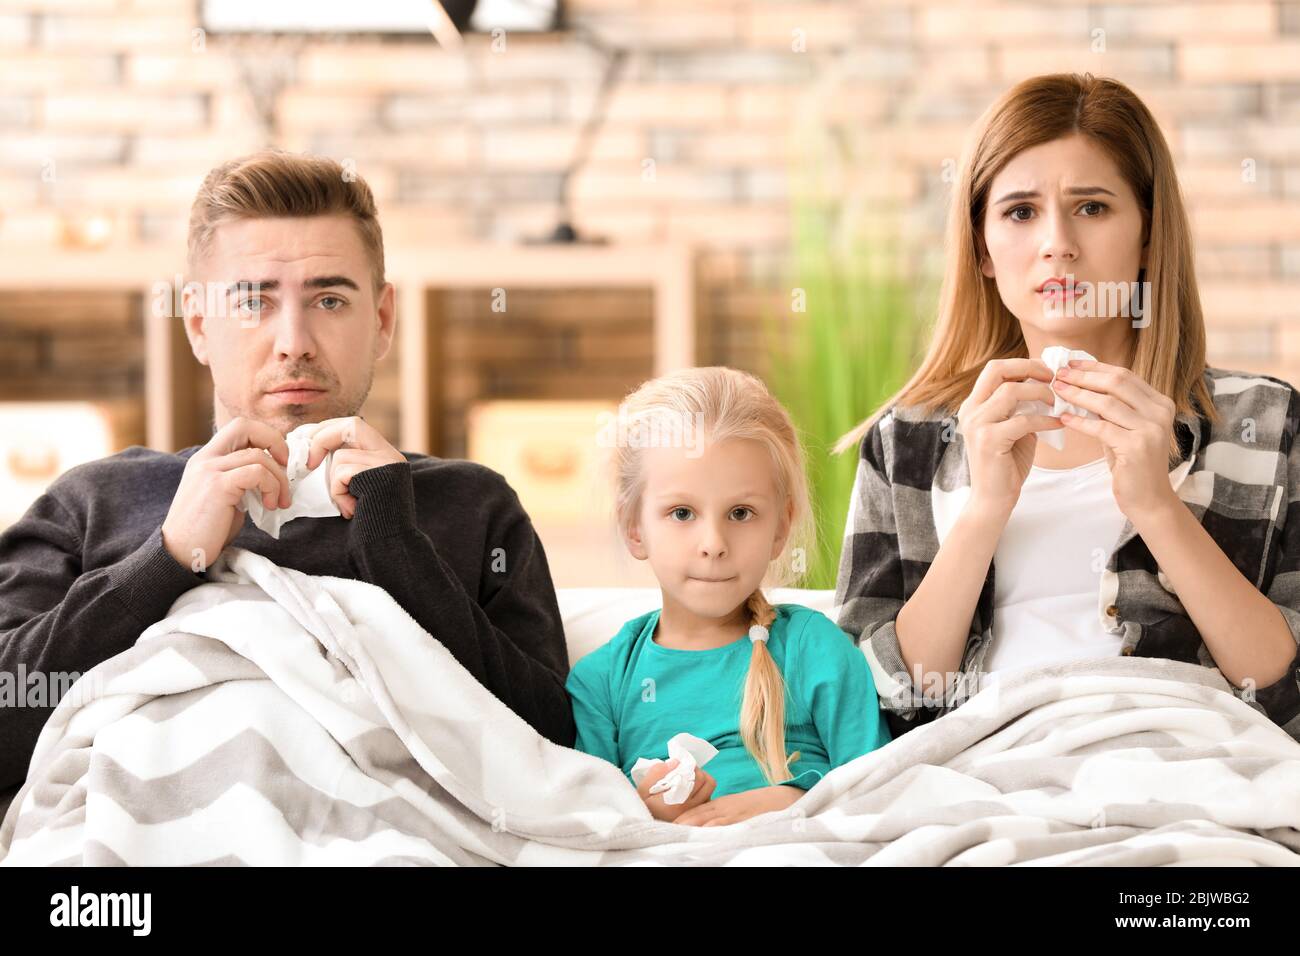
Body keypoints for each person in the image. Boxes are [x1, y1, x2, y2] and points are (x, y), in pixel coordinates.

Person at [0, 149, 576, 796]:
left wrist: (398, 551)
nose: (293, 341)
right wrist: (165, 557)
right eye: (253, 301)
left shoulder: (473, 506)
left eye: (329, 300)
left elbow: (554, 748)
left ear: (382, 320)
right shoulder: (91, 503)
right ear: (197, 323)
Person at [833, 72, 1300, 744]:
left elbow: (1290, 697)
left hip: (1189, 768)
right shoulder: (907, 442)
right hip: (977, 771)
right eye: (1020, 212)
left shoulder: (1268, 423)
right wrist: (985, 509)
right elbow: (870, 709)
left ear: (1148, 235)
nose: (1058, 242)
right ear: (983, 248)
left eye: (1092, 207)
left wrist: (1157, 508)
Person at [567, 366, 891, 827]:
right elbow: (588, 824)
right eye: (682, 512)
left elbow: (881, 787)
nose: (714, 542)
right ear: (634, 528)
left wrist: (788, 799)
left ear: (780, 527)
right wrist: (645, 809)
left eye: (741, 512)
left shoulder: (812, 647)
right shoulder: (601, 681)